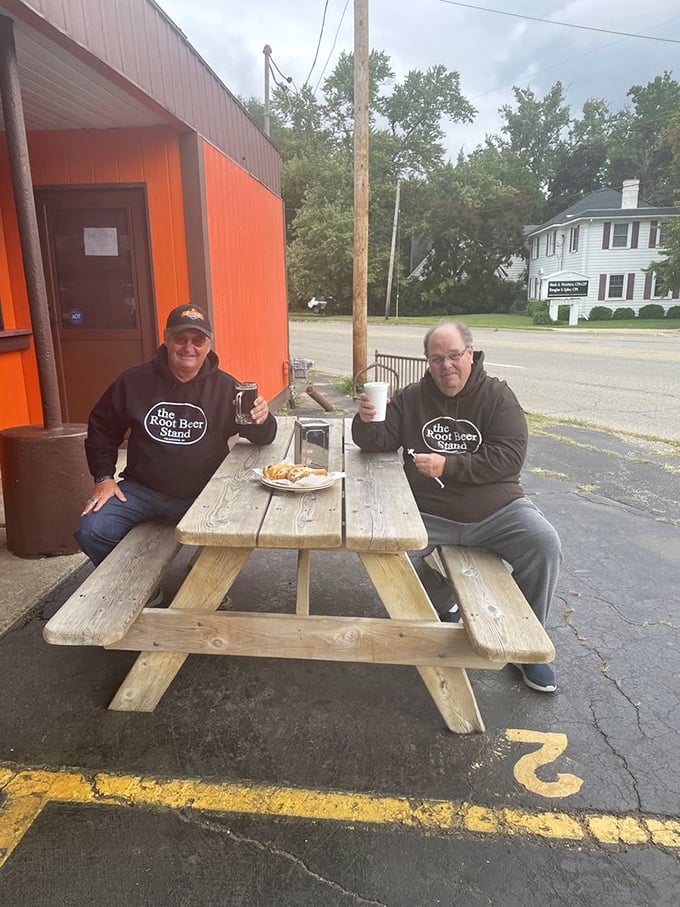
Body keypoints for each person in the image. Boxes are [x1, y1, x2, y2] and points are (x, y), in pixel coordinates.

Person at [352, 320, 561, 693]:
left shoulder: (498, 396)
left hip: (496, 511)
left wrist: (449, 465)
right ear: (427, 361)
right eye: (436, 359)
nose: (446, 365)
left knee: (543, 543)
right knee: (390, 556)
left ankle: (528, 643)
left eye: (453, 356)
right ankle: (443, 606)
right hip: (428, 514)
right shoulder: (412, 397)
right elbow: (377, 442)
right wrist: (367, 419)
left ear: (470, 353)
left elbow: (508, 459)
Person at [75, 303, 277, 567]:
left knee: (239, 525)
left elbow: (262, 436)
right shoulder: (134, 381)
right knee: (92, 531)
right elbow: (102, 427)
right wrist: (103, 477)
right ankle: (136, 585)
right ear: (167, 338)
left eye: (198, 340)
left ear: (209, 344)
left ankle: (203, 586)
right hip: (141, 491)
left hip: (203, 492)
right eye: (180, 339)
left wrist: (262, 418)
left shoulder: (227, 387)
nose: (188, 347)